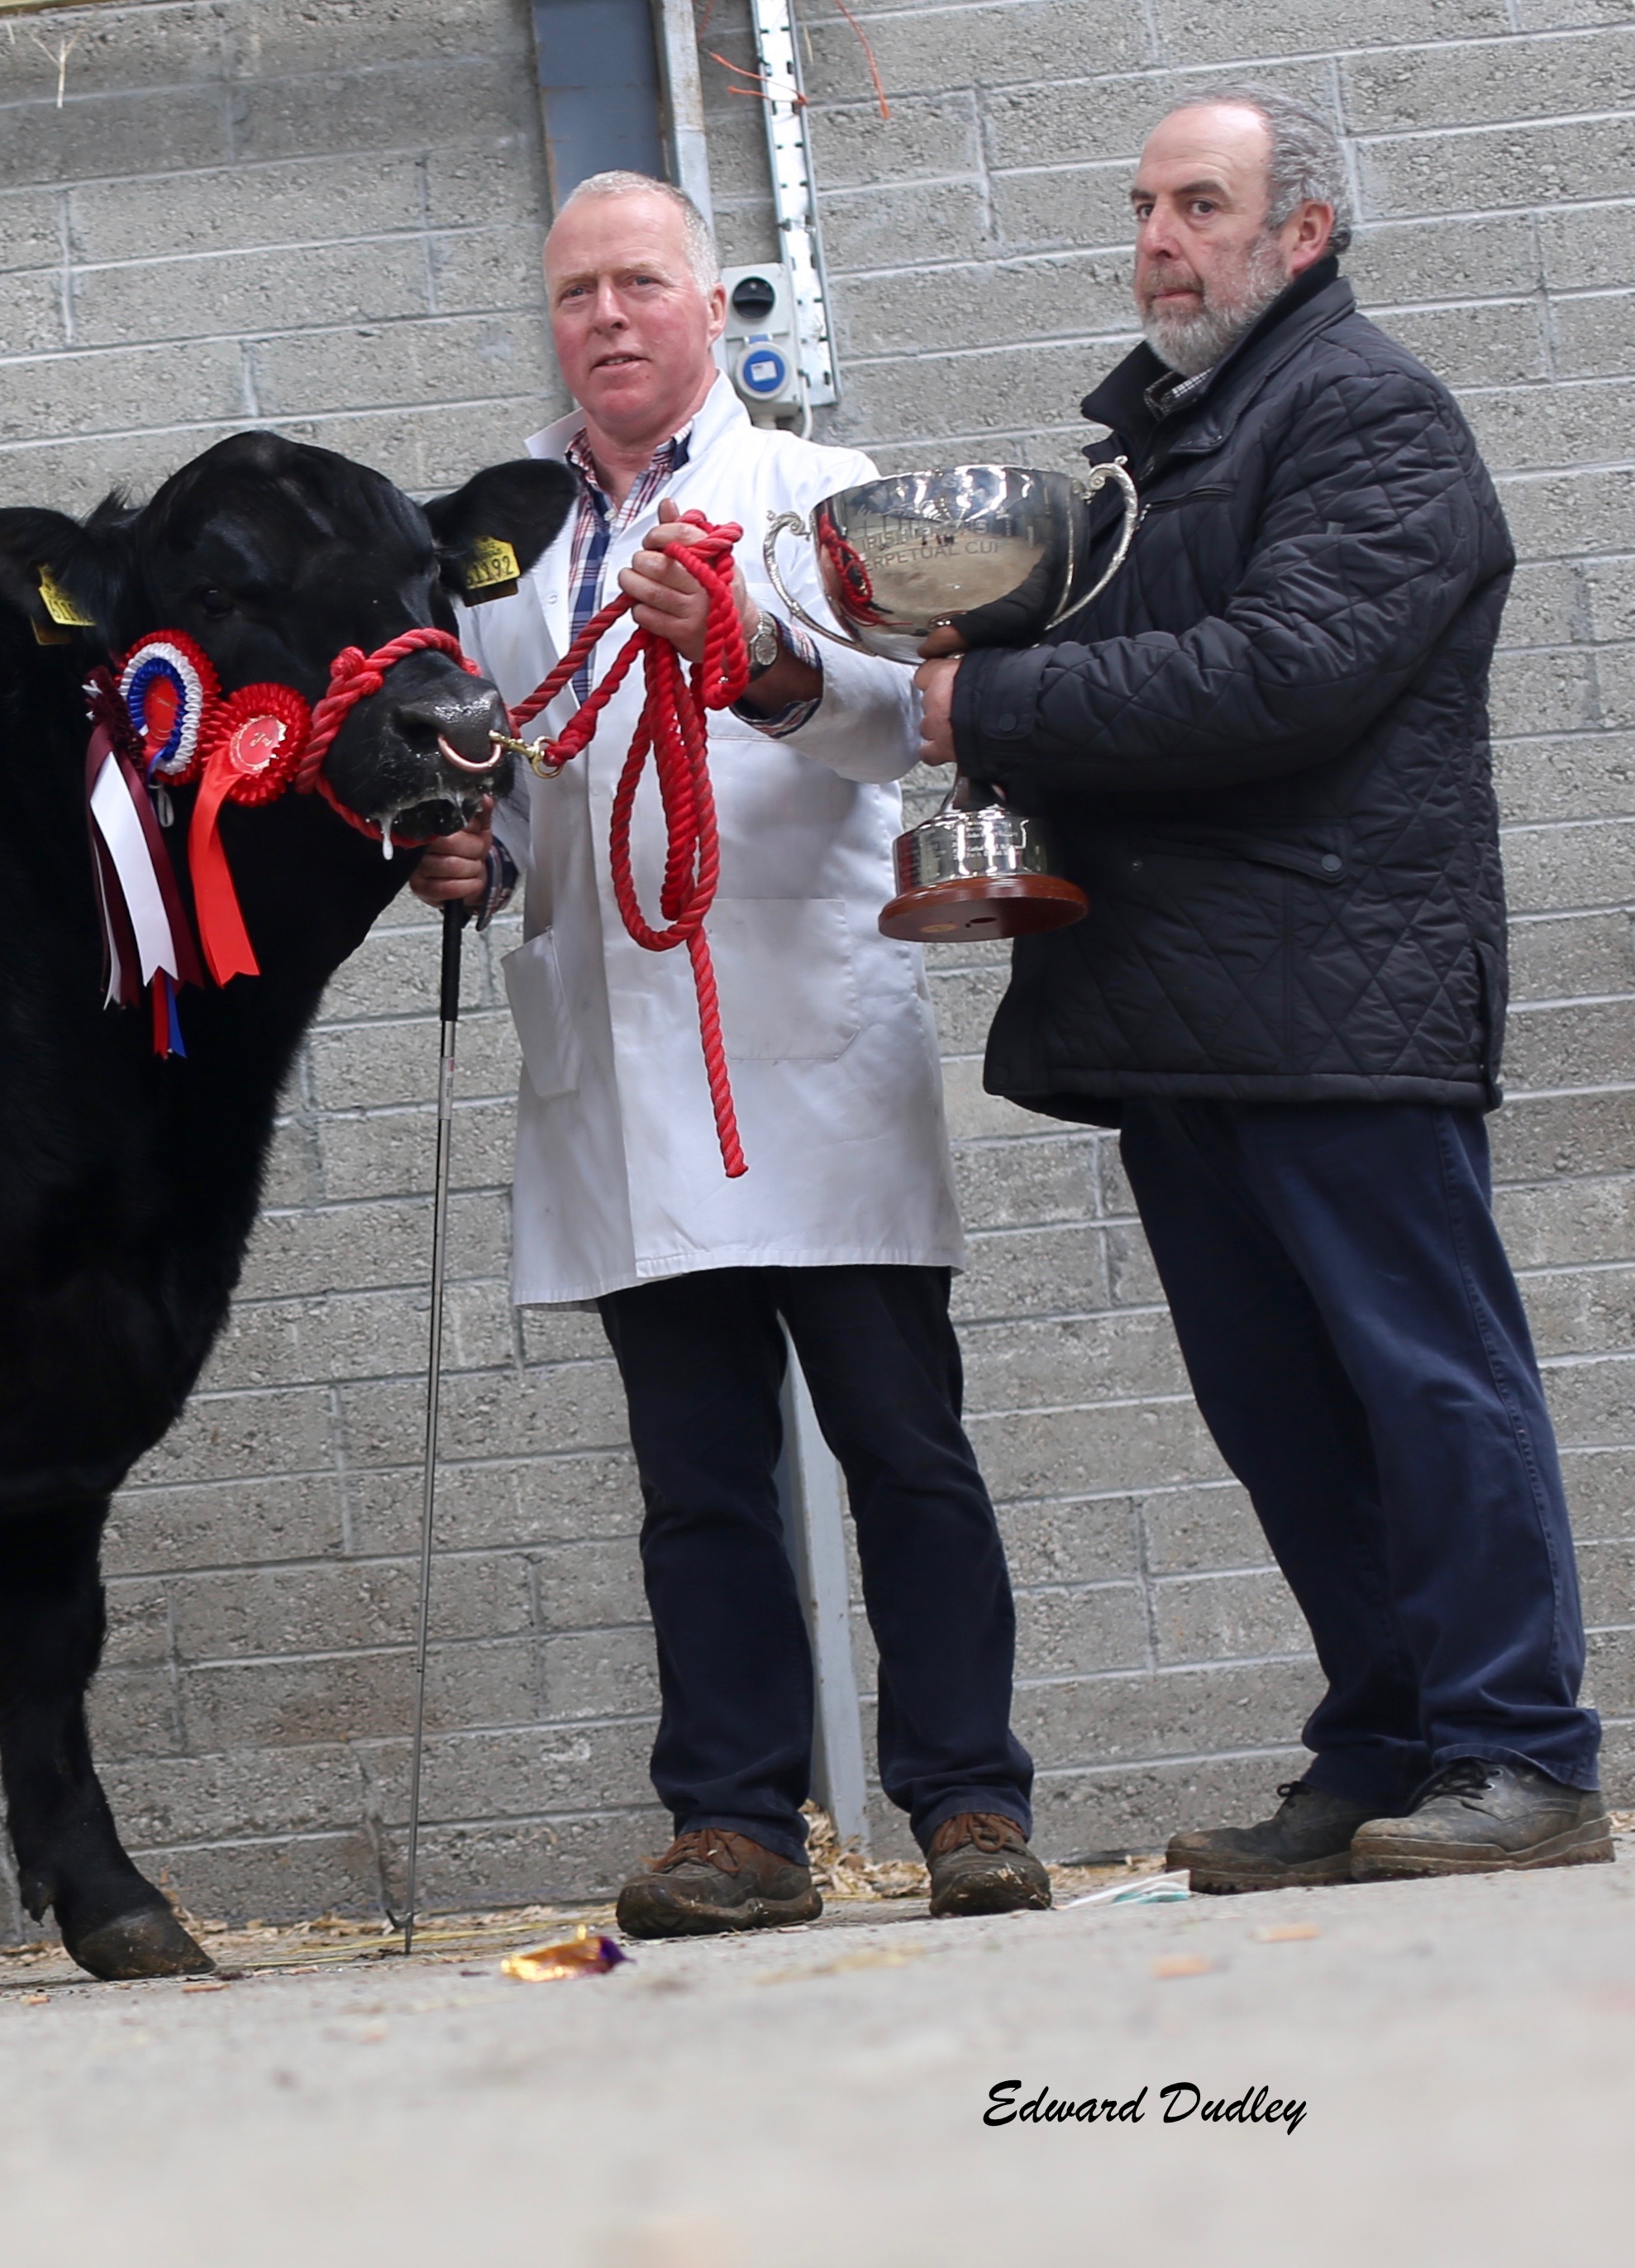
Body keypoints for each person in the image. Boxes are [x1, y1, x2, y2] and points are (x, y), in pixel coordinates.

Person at [916, 88, 1611, 1889]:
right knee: (1281, 1413)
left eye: (1199, 205)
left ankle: (1519, 1751)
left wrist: (981, 710)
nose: (1157, 237)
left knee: (1425, 1382)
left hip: (1337, 992)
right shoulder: (1167, 447)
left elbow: (1281, 674)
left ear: (1297, 234)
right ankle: (1381, 1747)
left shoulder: (1365, 414)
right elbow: (1142, 676)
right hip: (1181, 1007)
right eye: (1144, 204)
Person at [409, 172, 1047, 1936]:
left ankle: (968, 1802)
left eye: (635, 283)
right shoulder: (501, 543)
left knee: (902, 1452)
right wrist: (459, 856)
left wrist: (759, 664)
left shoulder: (817, 497)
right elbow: (519, 773)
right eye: (571, 295)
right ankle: (734, 1821)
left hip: (804, 1038)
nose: (603, 317)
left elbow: (892, 741)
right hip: (617, 1065)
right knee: (692, 1479)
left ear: (706, 303)